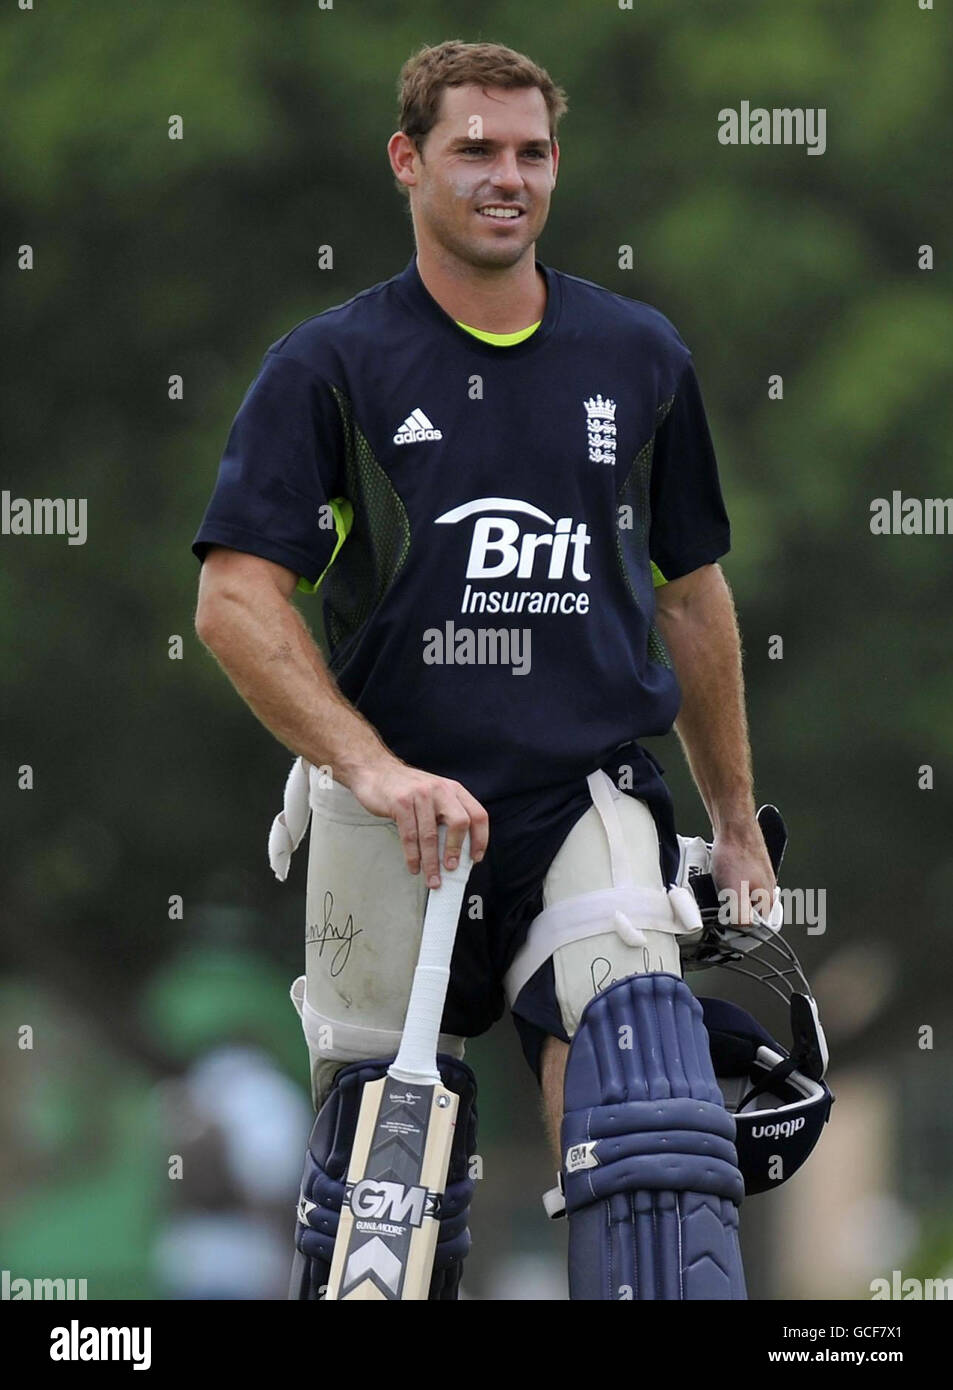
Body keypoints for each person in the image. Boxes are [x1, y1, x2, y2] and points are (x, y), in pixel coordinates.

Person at [192, 39, 776, 1299]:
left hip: (584, 796)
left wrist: (733, 821)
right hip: (389, 809)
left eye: (531, 152)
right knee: (377, 1202)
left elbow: (689, 594)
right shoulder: (327, 367)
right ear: (407, 161)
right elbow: (236, 600)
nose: (506, 176)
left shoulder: (637, 354)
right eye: (473, 150)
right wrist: (372, 767)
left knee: (649, 1127)